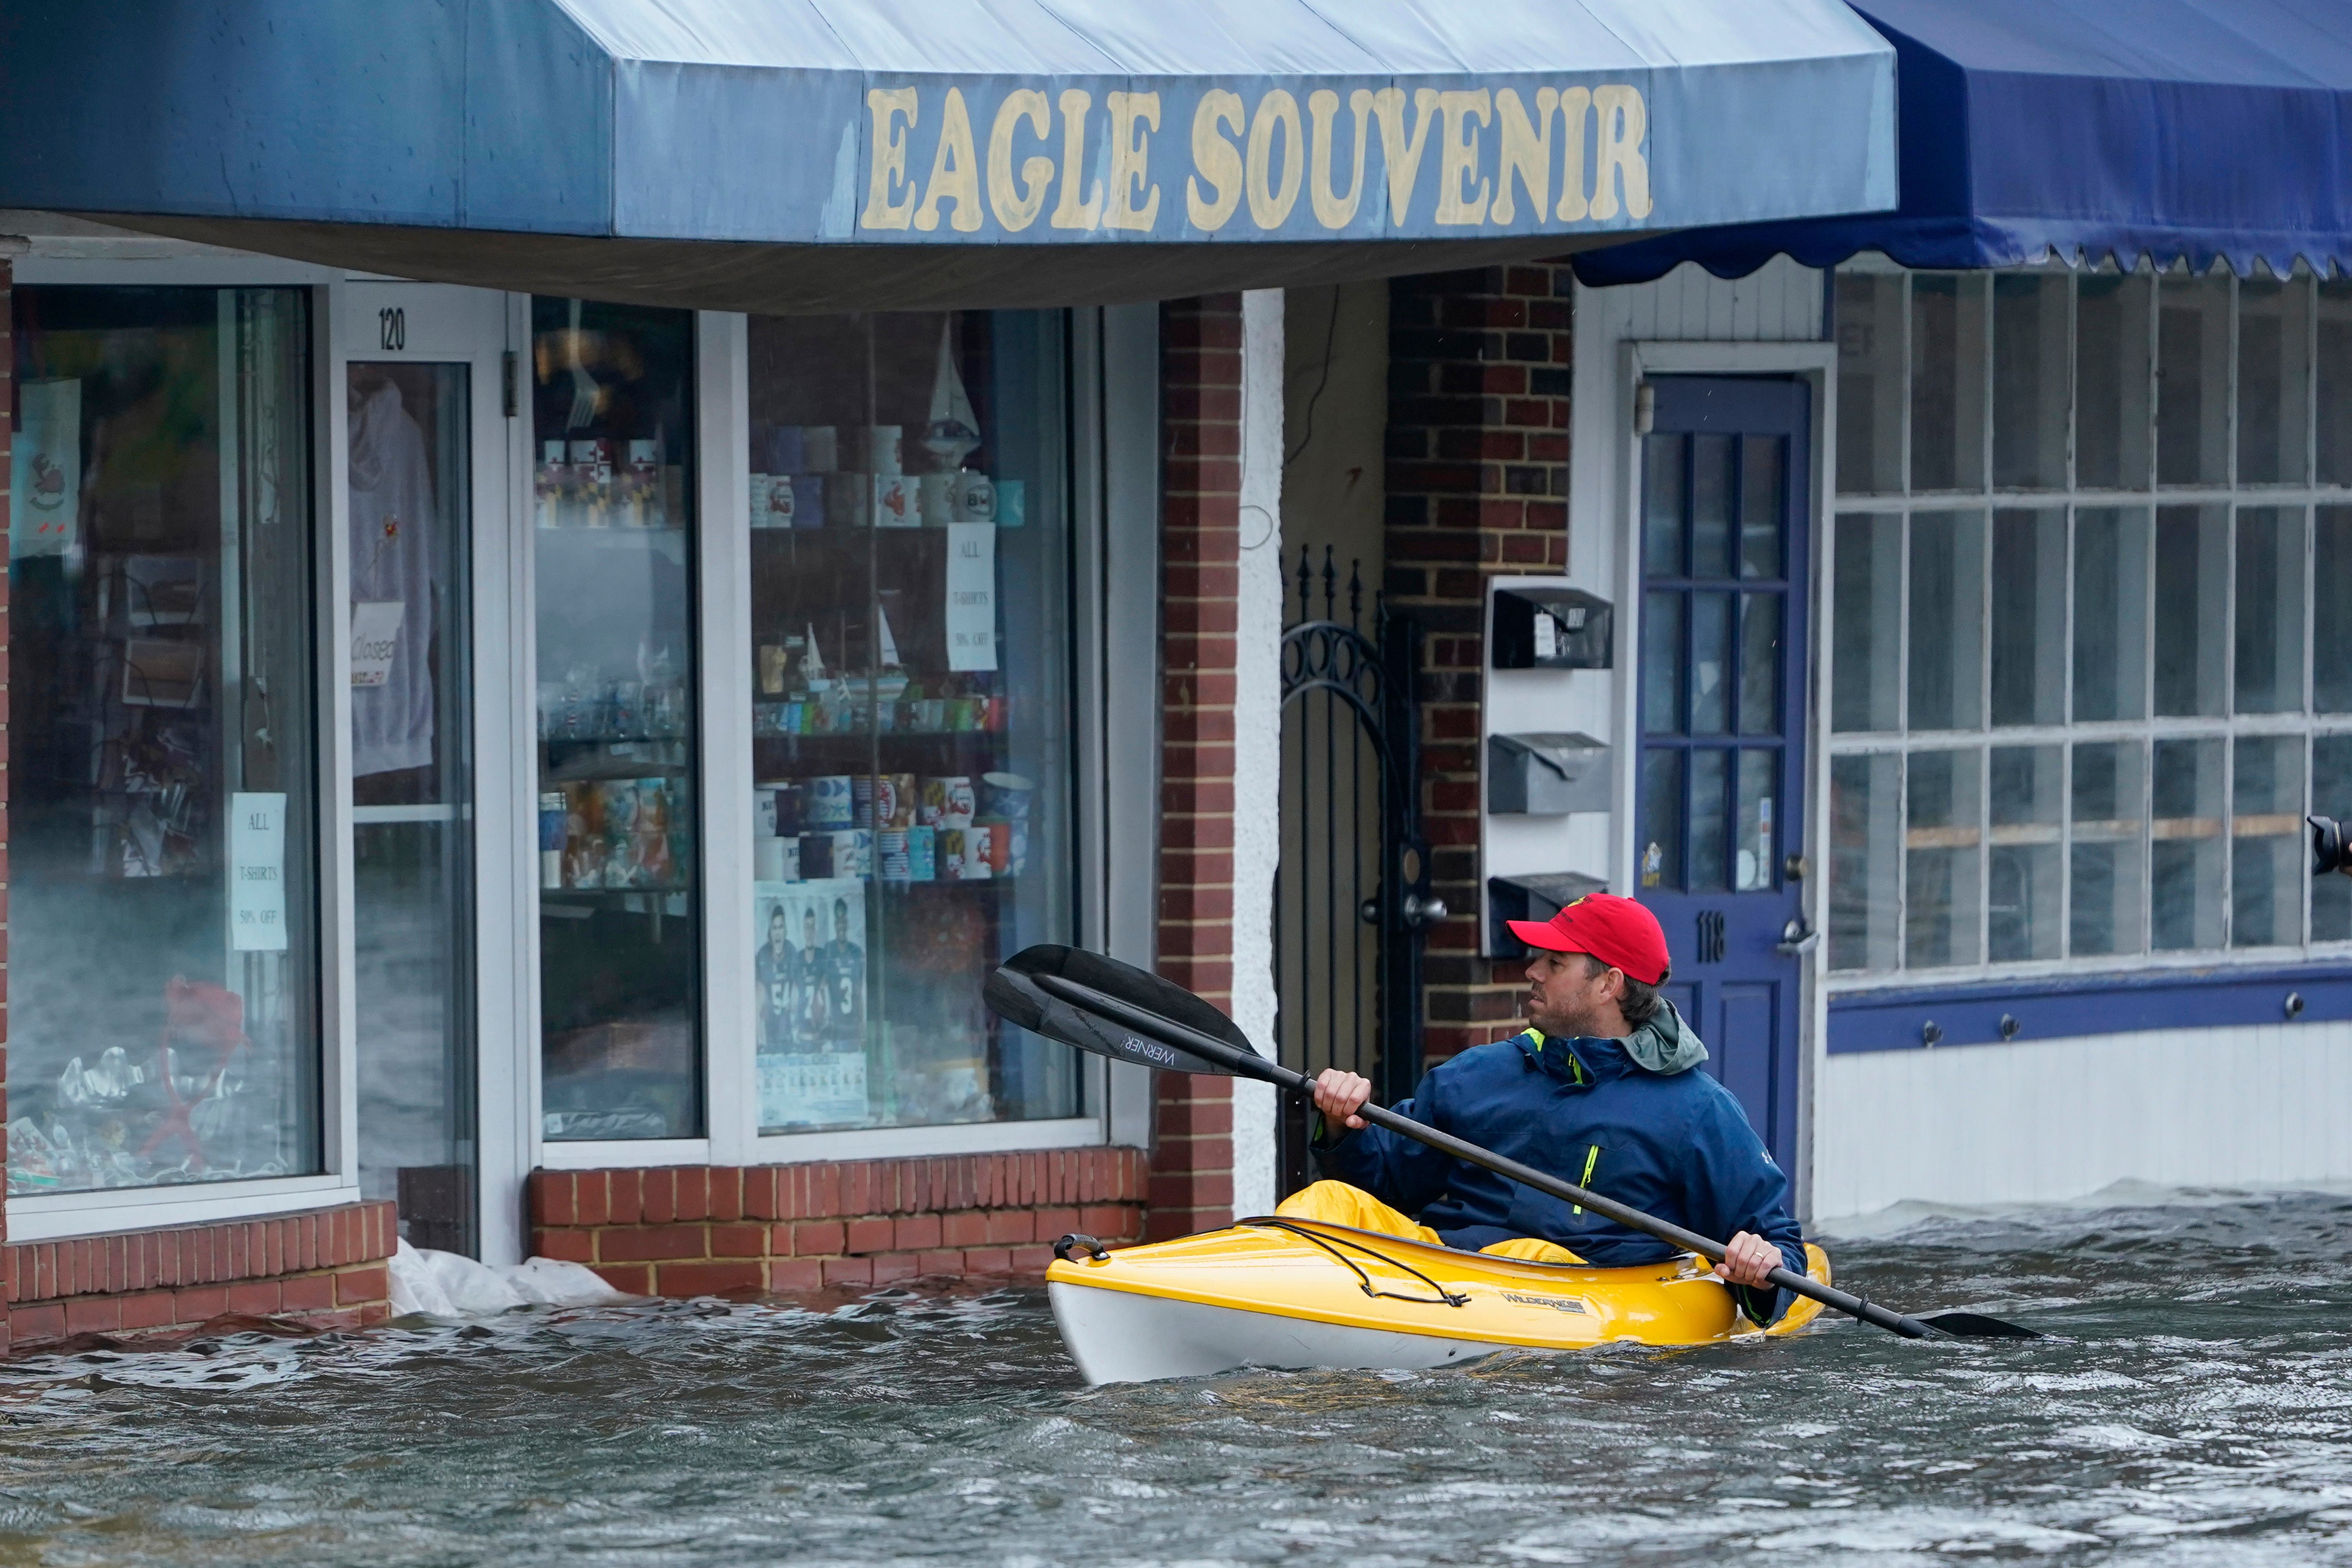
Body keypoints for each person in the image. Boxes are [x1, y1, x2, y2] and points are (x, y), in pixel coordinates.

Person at [1286, 892, 1812, 1326]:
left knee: (1533, 1254)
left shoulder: (1699, 1110)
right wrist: (1342, 1124)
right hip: (1438, 1271)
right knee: (1328, 1199)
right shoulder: (1477, 1073)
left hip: (1562, 1296)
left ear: (1608, 983)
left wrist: (1761, 1268)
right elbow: (1384, 1184)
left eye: (1554, 963)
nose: (1531, 971)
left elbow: (1779, 1245)